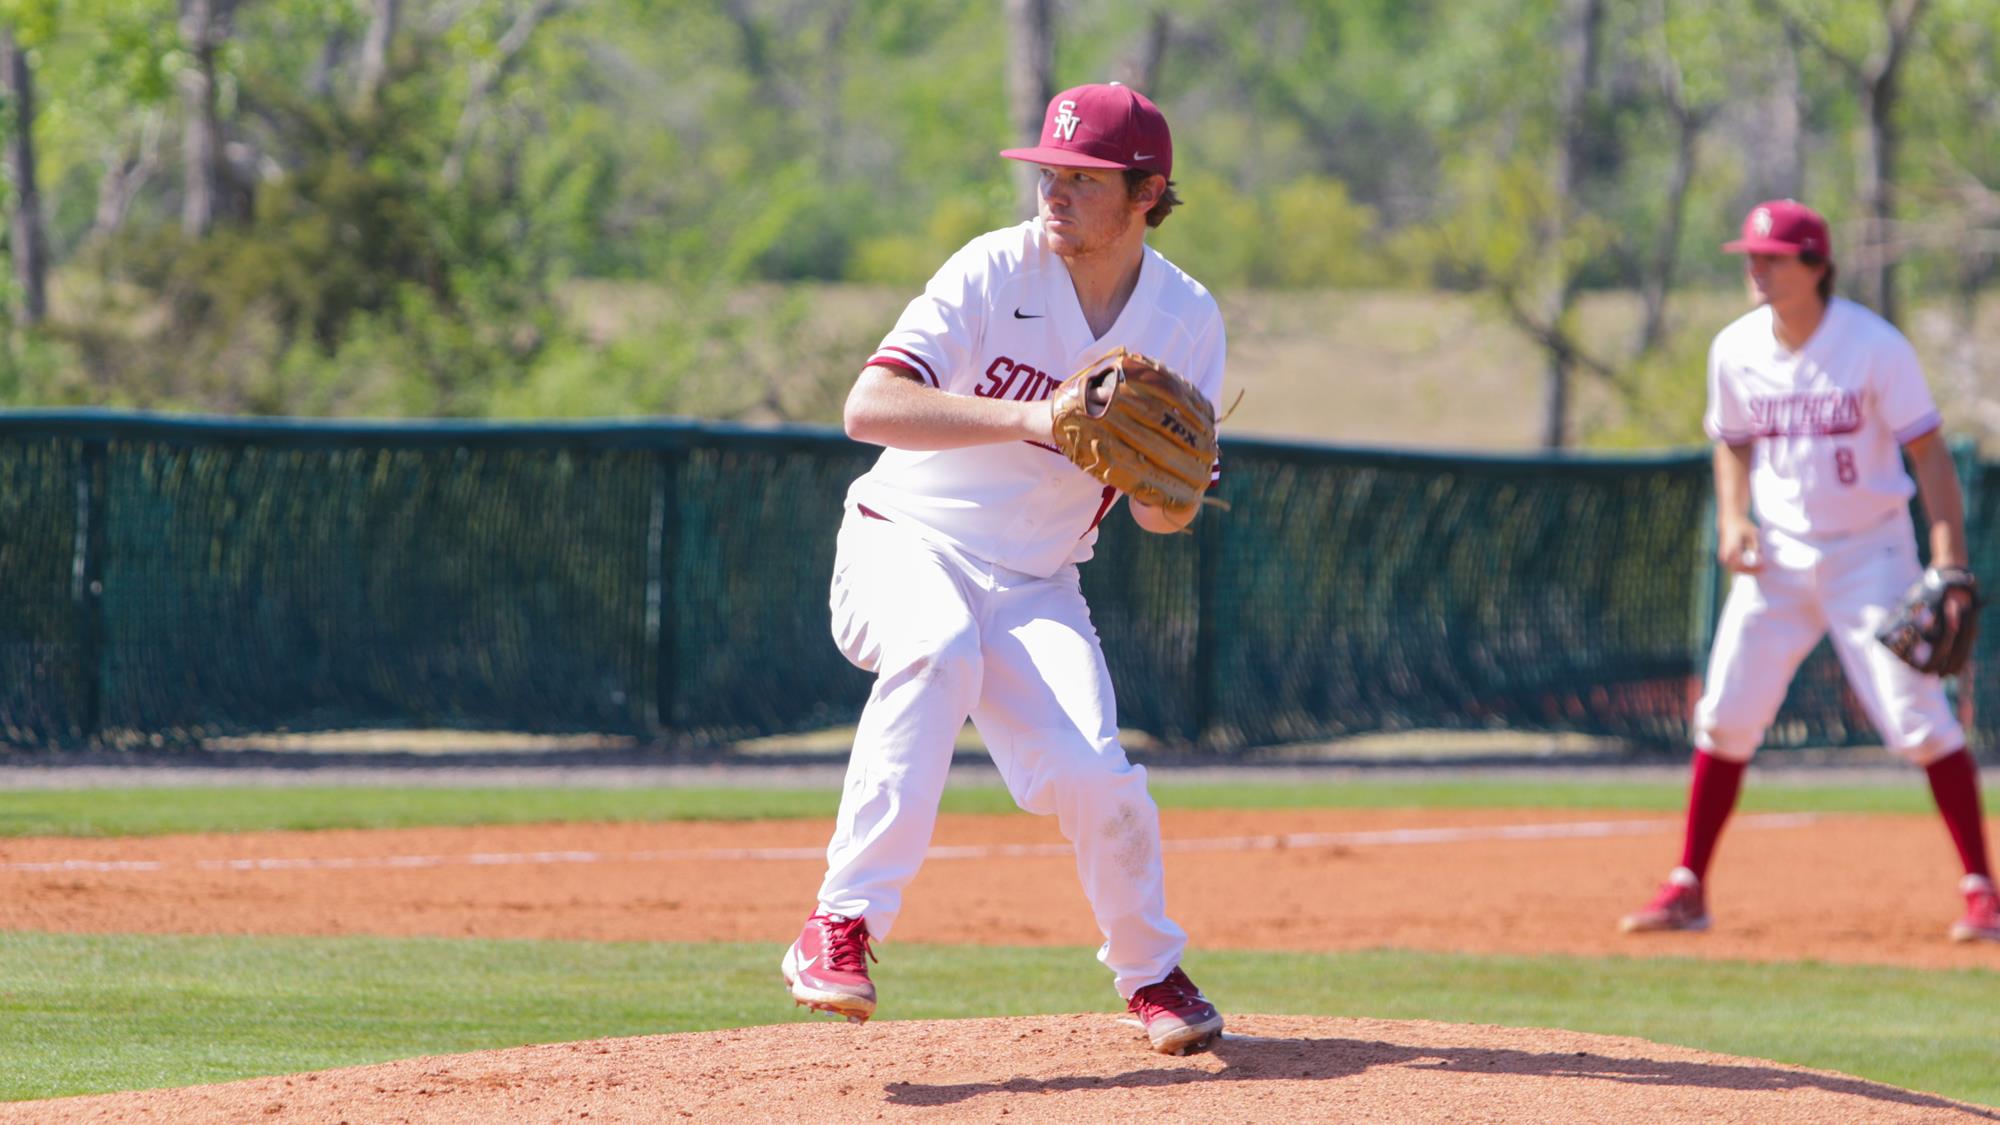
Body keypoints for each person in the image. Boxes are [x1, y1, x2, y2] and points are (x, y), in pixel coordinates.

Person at [779, 82, 1228, 1055]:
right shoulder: (992, 268)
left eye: (1081, 178)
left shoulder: (1185, 316)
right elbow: (868, 408)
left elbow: (1162, 515)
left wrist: (1166, 486)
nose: (1052, 193)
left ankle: (1151, 974)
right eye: (1047, 173)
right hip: (904, 537)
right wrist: (1037, 418)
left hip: (1034, 581)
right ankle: (839, 924)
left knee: (1094, 776)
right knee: (936, 652)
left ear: (1146, 192)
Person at [1620, 199, 1999, 943]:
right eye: (1750, 256)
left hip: (1872, 553)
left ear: (1816, 266)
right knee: (1725, 714)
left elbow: (1927, 451)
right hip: (1780, 558)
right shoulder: (1734, 347)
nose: (1755, 267)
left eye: (1772, 256)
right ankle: (1688, 884)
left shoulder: (1872, 344)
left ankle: (1982, 890)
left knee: (1920, 720)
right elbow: (1731, 442)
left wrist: (1948, 557)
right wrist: (1733, 519)